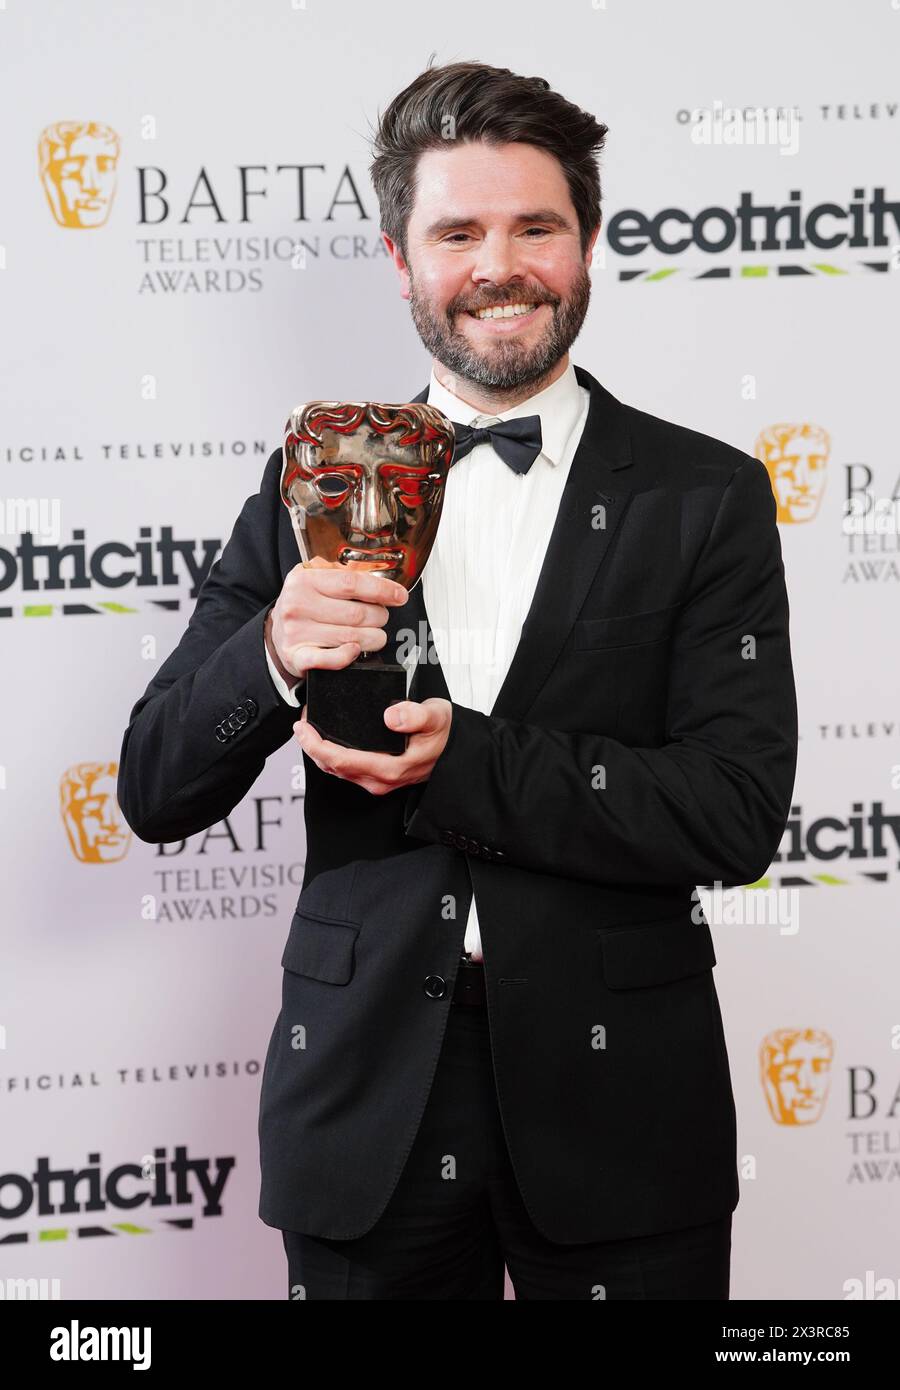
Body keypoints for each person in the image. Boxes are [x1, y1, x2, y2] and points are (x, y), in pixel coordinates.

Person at [117, 59, 798, 1300]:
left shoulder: (706, 496)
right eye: (458, 232)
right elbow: (155, 785)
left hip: (625, 1115)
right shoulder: (311, 477)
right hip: (365, 1094)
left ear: (588, 243)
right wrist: (272, 651)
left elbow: (734, 810)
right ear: (401, 259)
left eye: (535, 225)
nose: (499, 265)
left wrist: (462, 761)